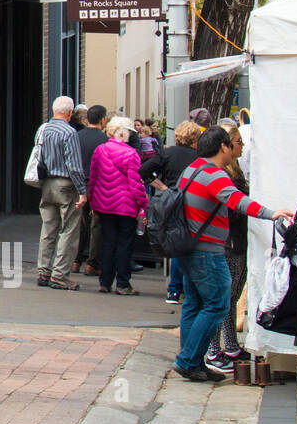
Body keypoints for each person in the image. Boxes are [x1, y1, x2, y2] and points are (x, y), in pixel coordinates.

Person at [171, 126, 293, 382]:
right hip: (207, 251)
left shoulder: (191, 170)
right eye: (234, 144)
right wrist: (272, 213)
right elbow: (238, 201)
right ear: (223, 147)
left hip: (189, 248)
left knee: (194, 304)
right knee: (218, 304)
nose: (237, 149)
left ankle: (193, 359)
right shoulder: (214, 174)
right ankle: (188, 360)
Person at [204, 118, 252, 374]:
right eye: (238, 142)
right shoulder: (223, 174)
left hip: (236, 240)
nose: (242, 146)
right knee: (222, 299)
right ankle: (213, 351)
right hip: (228, 243)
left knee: (230, 298)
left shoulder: (234, 171)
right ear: (226, 146)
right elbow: (228, 209)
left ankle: (230, 345)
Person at [141, 120, 204, 304]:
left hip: (171, 202)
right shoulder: (199, 157)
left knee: (177, 244)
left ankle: (174, 289)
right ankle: (187, 288)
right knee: (191, 243)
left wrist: (162, 187)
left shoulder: (167, 153)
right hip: (193, 202)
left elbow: (143, 171)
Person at [89, 116, 149, 295]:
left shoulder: (100, 150)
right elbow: (136, 183)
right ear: (123, 133)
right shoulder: (131, 154)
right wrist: (143, 204)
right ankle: (122, 283)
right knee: (125, 244)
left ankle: (105, 281)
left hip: (104, 204)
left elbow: (93, 178)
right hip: (125, 206)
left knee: (108, 242)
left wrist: (93, 201)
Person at [33, 96, 87, 290]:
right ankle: (60, 275)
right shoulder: (69, 132)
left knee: (48, 228)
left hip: (47, 182)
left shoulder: (44, 129)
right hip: (65, 184)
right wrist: (82, 191)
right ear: (70, 112)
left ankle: (43, 270)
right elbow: (74, 165)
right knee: (69, 229)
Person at [73, 104, 110, 276]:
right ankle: (92, 263)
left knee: (79, 225)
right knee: (97, 225)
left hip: (78, 184)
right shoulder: (105, 140)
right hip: (98, 186)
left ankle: (75, 260)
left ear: (87, 119)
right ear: (103, 120)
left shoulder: (76, 137)